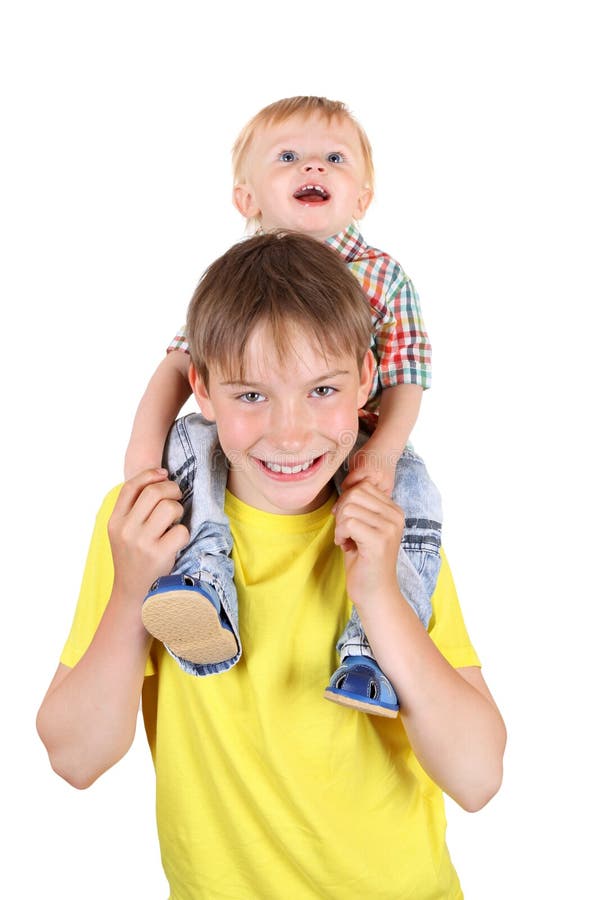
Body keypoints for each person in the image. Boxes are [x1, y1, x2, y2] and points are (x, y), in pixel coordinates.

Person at [37, 232, 506, 898]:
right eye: (251, 396)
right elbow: (75, 759)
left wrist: (379, 595)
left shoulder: (388, 523)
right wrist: (131, 593)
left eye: (322, 390)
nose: (290, 434)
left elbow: (478, 778)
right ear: (201, 388)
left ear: (367, 381)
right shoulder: (150, 518)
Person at [125, 96, 441, 713]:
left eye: (334, 158)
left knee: (415, 492)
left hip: (352, 443)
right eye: (289, 157)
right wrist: (143, 456)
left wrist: (382, 453)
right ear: (247, 199)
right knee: (195, 441)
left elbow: (406, 377)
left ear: (363, 198)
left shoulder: (381, 277)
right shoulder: (234, 281)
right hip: (250, 453)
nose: (313, 169)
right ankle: (203, 579)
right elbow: (177, 368)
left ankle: (373, 649)